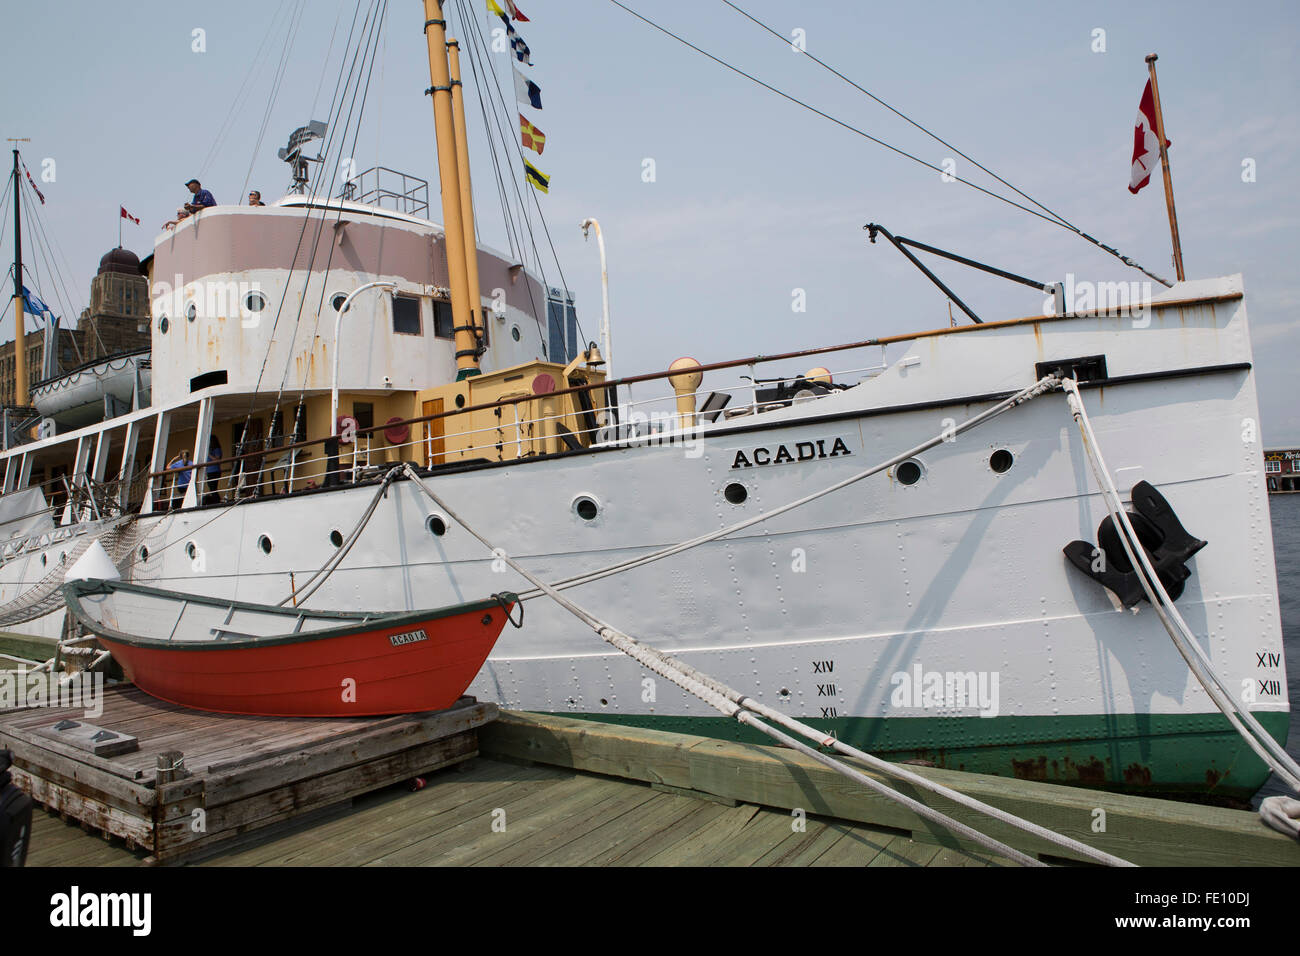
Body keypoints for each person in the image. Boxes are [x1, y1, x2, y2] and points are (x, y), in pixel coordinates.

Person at [204, 437, 222, 505]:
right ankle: (216, 501)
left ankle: (217, 501)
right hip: (209, 471)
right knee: (212, 488)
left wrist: (209, 454)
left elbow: (217, 459)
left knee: (213, 488)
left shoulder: (217, 449)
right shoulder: (210, 450)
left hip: (215, 471)